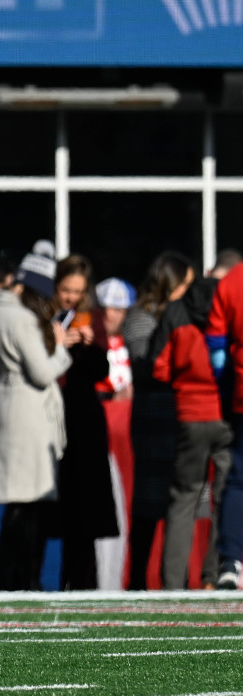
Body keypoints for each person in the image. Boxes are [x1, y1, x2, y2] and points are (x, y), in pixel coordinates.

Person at [0, 242, 71, 591]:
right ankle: (21, 580)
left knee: (17, 504)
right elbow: (43, 373)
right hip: (27, 415)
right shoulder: (21, 319)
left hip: (2, 406)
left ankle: (12, 579)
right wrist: (61, 347)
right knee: (28, 505)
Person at [122, 251, 196, 589]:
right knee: (148, 504)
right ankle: (137, 578)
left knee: (182, 505)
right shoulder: (142, 318)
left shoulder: (184, 315)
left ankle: (176, 579)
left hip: (181, 418)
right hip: (154, 419)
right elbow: (146, 366)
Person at [152, 276, 231, 589]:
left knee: (184, 498)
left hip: (188, 413)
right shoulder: (228, 308)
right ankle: (214, 576)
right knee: (225, 498)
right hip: (224, 413)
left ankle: (173, 584)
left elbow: (159, 366)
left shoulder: (175, 311)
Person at [51, 255, 119, 590]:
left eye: (77, 291)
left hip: (85, 419)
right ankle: (55, 577)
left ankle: (85, 582)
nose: (71, 298)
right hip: (54, 415)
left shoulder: (92, 318)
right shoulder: (46, 317)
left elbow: (102, 372)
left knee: (86, 503)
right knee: (58, 502)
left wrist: (90, 345)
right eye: (66, 290)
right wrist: (59, 342)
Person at [205, 260, 243, 589]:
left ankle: (231, 560)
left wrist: (224, 385)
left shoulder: (231, 281)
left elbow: (216, 348)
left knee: (238, 479)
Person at [94, 277, 136, 401]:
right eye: (104, 307)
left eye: (117, 309)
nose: (109, 314)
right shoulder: (85, 341)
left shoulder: (130, 342)